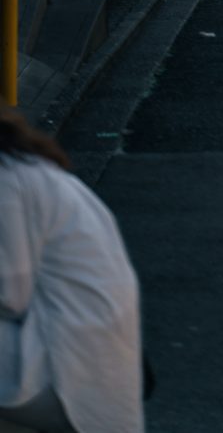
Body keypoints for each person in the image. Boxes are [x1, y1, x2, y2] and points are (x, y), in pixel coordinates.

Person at [0, 106, 145, 433]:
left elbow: (10, 295)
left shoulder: (7, 182)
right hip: (93, 349)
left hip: (65, 362)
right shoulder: (29, 165)